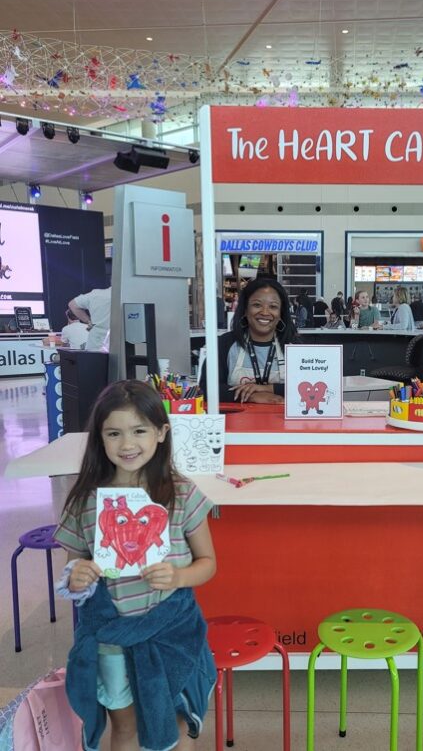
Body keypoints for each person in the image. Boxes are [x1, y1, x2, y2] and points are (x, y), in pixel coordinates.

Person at [52, 380, 217, 751]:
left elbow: (208, 564)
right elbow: (71, 571)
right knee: (125, 728)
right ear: (100, 438)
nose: (127, 444)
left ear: (161, 432)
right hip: (112, 641)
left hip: (171, 632)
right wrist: (77, 577)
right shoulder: (85, 501)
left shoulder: (182, 493)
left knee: (176, 723)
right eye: (114, 433)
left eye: (139, 431)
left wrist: (178, 576)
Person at [202, 278, 299, 404]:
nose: (265, 312)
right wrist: (252, 397)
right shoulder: (224, 344)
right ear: (245, 309)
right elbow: (206, 389)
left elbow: (309, 386)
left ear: (281, 313)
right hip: (234, 417)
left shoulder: (294, 347)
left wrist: (268, 389)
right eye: (257, 305)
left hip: (284, 417)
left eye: (273, 306)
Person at [69, 286, 112, 352]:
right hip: (120, 347)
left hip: (96, 345)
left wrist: (88, 321)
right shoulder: (127, 296)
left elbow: (72, 304)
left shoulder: (96, 294)